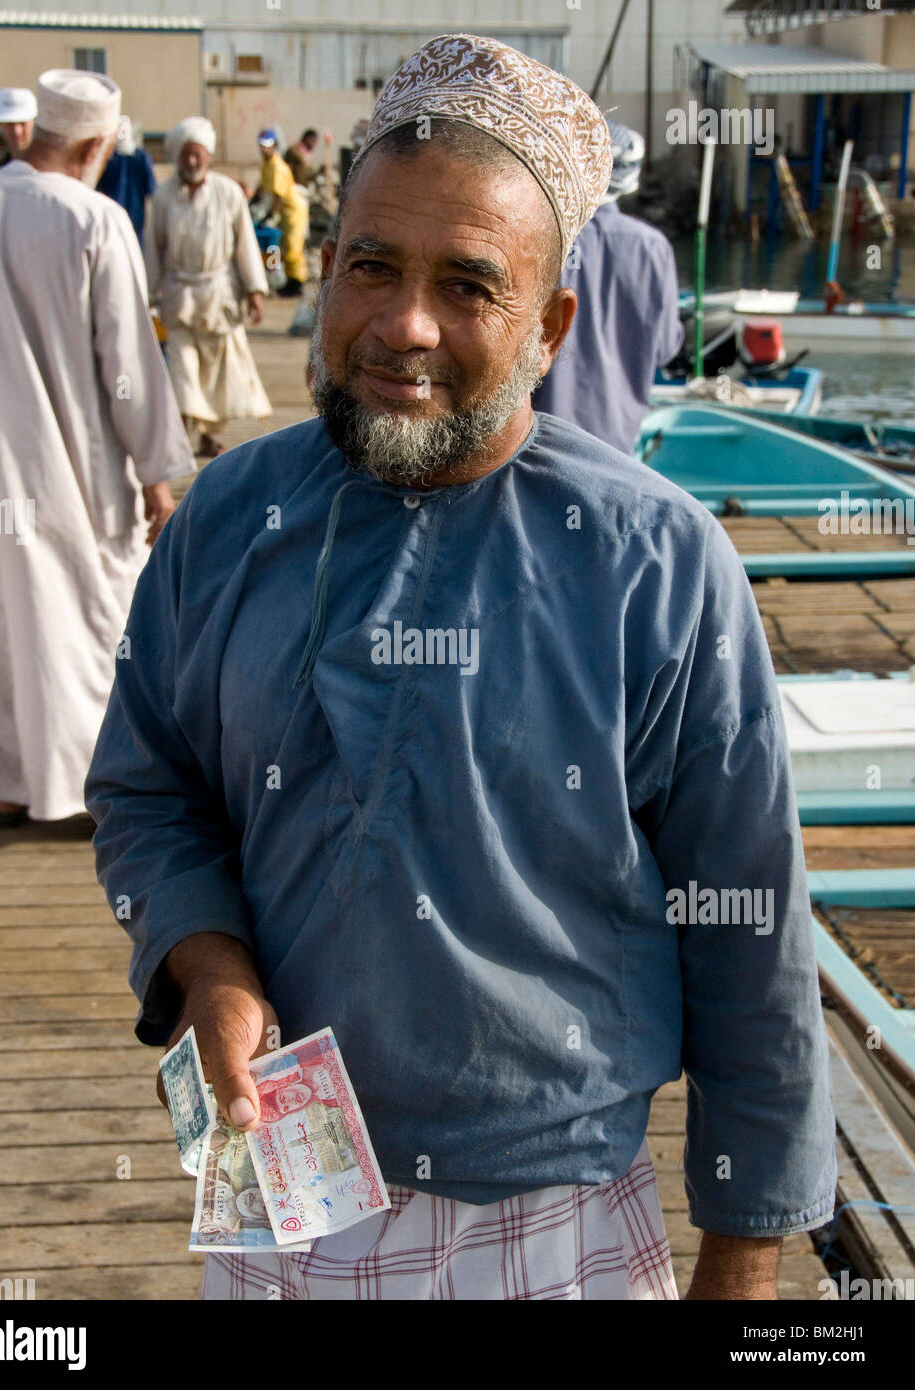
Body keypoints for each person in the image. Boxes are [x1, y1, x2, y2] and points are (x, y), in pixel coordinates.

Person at [86, 34, 836, 1302]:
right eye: (370, 267)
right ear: (324, 270)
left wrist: (744, 1252)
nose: (403, 326)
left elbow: (745, 924)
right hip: (277, 1179)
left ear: (549, 326)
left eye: (466, 285)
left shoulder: (656, 563)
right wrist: (203, 958)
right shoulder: (227, 517)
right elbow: (148, 787)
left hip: (555, 1224)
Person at [0, 69, 194, 827]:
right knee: (83, 626)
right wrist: (156, 475)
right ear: (92, 144)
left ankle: (12, 785)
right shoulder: (94, 219)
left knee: (6, 623)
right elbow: (129, 365)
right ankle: (77, 793)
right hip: (69, 471)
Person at [533, 120, 684, 454]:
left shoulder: (544, 239)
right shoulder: (653, 247)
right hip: (618, 444)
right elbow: (666, 348)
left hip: (542, 442)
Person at [146, 117, 272, 460]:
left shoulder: (229, 193)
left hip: (220, 297)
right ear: (177, 157)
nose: (191, 161)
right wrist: (147, 294)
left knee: (218, 373)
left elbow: (245, 244)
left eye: (197, 154)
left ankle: (206, 437)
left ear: (209, 156)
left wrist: (254, 291)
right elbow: (153, 249)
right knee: (183, 368)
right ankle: (186, 433)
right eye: (186, 154)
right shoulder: (162, 197)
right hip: (179, 296)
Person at [256, 129, 308, 298]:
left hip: (293, 210)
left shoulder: (277, 167)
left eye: (267, 147)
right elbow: (262, 188)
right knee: (281, 246)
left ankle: (296, 284)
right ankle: (281, 281)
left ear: (274, 146)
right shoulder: (267, 165)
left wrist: (269, 215)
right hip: (282, 211)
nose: (264, 150)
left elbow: (278, 195)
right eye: (261, 147)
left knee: (293, 248)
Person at [97, 116, 156, 246]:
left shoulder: (108, 158)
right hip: (125, 224)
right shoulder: (140, 157)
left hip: (119, 223)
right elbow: (152, 191)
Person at [0, 87, 37, 167]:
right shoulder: (0, 167)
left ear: (34, 121)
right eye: (10, 123)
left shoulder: (51, 166)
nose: (17, 131)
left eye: (22, 123)